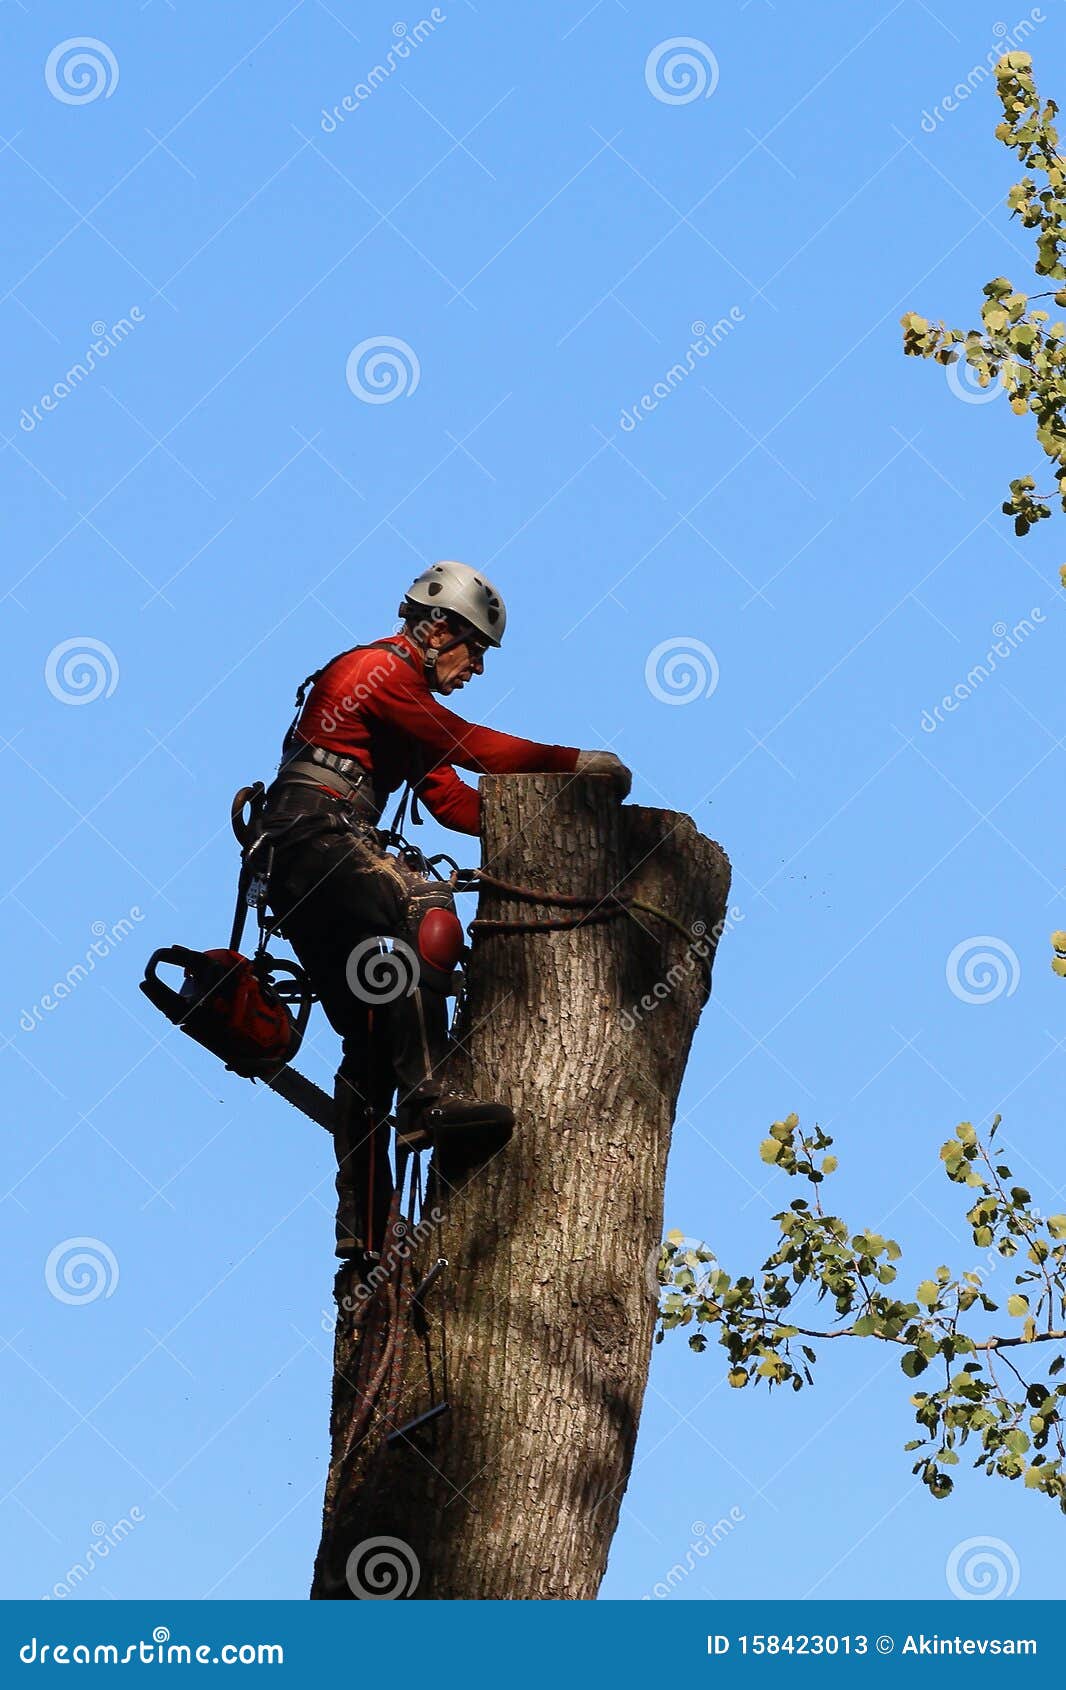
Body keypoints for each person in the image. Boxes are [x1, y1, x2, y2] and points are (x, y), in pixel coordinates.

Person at [257, 561, 630, 1262]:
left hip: (309, 862)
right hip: (315, 841)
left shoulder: (405, 707)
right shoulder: (375, 673)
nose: (478, 668)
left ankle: (365, 1233)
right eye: (476, 650)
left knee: (371, 1035)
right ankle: (430, 1100)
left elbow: (453, 799)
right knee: (423, 902)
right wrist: (572, 764)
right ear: (438, 630)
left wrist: (548, 826)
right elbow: (468, 743)